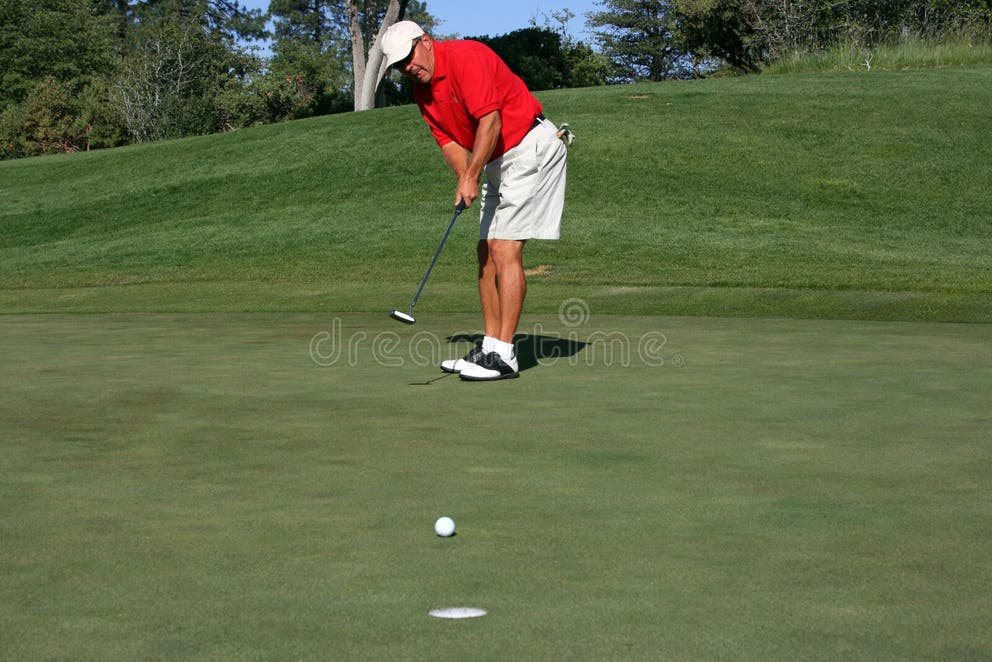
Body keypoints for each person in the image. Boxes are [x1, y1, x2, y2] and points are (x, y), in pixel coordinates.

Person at [381, 21, 568, 382]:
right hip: (499, 159)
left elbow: (491, 120)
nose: (408, 68)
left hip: (530, 146)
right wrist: (464, 175)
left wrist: (472, 175)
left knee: (504, 248)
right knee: (486, 252)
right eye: (399, 66)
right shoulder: (423, 93)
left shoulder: (467, 57)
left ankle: (505, 356)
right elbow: (449, 142)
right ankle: (490, 346)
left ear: (426, 42)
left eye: (409, 58)